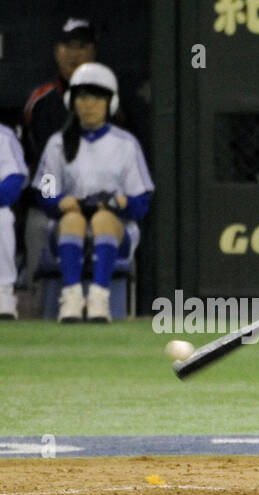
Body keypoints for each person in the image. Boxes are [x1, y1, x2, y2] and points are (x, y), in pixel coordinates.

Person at [35, 63, 152, 323]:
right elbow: (45, 194)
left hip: (114, 226)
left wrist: (120, 202)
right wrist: (60, 201)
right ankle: (72, 298)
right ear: (72, 101)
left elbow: (141, 202)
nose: (89, 104)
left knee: (102, 220)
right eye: (83, 96)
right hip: (69, 223)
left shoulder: (125, 144)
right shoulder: (57, 143)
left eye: (97, 97)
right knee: (73, 219)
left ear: (110, 103)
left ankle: (100, 297)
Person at [20, 18, 97, 292]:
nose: (74, 54)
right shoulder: (41, 101)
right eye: (68, 46)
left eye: (81, 46)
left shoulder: (114, 101)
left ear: (93, 52)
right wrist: (55, 200)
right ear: (57, 52)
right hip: (49, 206)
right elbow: (36, 163)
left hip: (97, 206)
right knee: (38, 221)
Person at [0, 125, 27, 319]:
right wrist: (53, 202)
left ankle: (2, 292)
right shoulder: (56, 143)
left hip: (44, 213)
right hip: (48, 210)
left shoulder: (4, 136)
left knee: (2, 216)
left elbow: (15, 182)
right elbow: (49, 193)